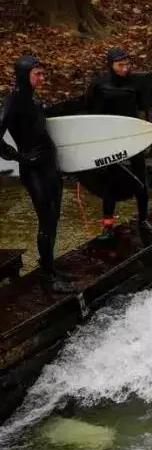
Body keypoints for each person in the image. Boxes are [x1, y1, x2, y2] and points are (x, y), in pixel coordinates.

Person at [0, 56, 73, 293]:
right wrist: (19, 157)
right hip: (33, 171)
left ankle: (47, 265)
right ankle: (48, 276)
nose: (42, 78)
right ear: (24, 76)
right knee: (46, 220)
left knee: (54, 218)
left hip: (50, 165)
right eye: (37, 74)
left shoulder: (33, 98)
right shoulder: (12, 101)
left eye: (42, 73)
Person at [85, 48, 152, 243]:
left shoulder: (138, 82)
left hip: (132, 134)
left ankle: (143, 219)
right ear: (110, 65)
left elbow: (149, 109)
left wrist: (151, 136)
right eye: (120, 65)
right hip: (109, 136)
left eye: (127, 64)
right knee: (108, 180)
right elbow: (89, 113)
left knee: (140, 177)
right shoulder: (99, 84)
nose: (125, 68)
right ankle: (108, 225)